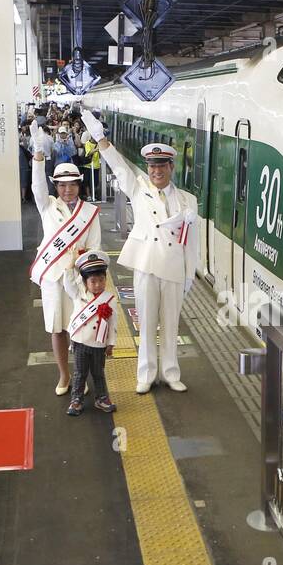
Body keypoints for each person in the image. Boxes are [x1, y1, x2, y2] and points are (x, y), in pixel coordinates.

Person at [82, 111, 199, 394]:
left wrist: (189, 277)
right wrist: (100, 139)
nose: (156, 172)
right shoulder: (138, 188)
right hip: (146, 266)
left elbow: (191, 244)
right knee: (146, 324)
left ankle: (171, 373)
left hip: (173, 268)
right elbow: (119, 166)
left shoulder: (187, 200)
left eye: (162, 167)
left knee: (171, 324)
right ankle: (146, 374)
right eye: (152, 167)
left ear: (172, 167)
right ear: (148, 168)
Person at [31, 128, 103, 394]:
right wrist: (38, 153)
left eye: (72, 184)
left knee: (82, 329)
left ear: (79, 185)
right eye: (62, 185)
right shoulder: (47, 206)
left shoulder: (90, 213)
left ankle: (82, 376)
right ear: (56, 187)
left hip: (81, 279)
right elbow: (37, 185)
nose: (67, 189)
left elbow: (95, 246)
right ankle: (64, 376)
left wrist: (85, 265)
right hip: (53, 277)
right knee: (57, 328)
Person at [63, 250, 117, 416]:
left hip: (99, 344)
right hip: (79, 342)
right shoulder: (78, 295)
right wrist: (71, 264)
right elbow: (69, 283)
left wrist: (111, 343)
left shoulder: (110, 298)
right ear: (85, 282)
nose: (98, 285)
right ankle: (76, 400)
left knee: (98, 373)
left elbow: (113, 323)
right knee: (80, 373)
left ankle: (102, 398)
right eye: (93, 281)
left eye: (101, 280)